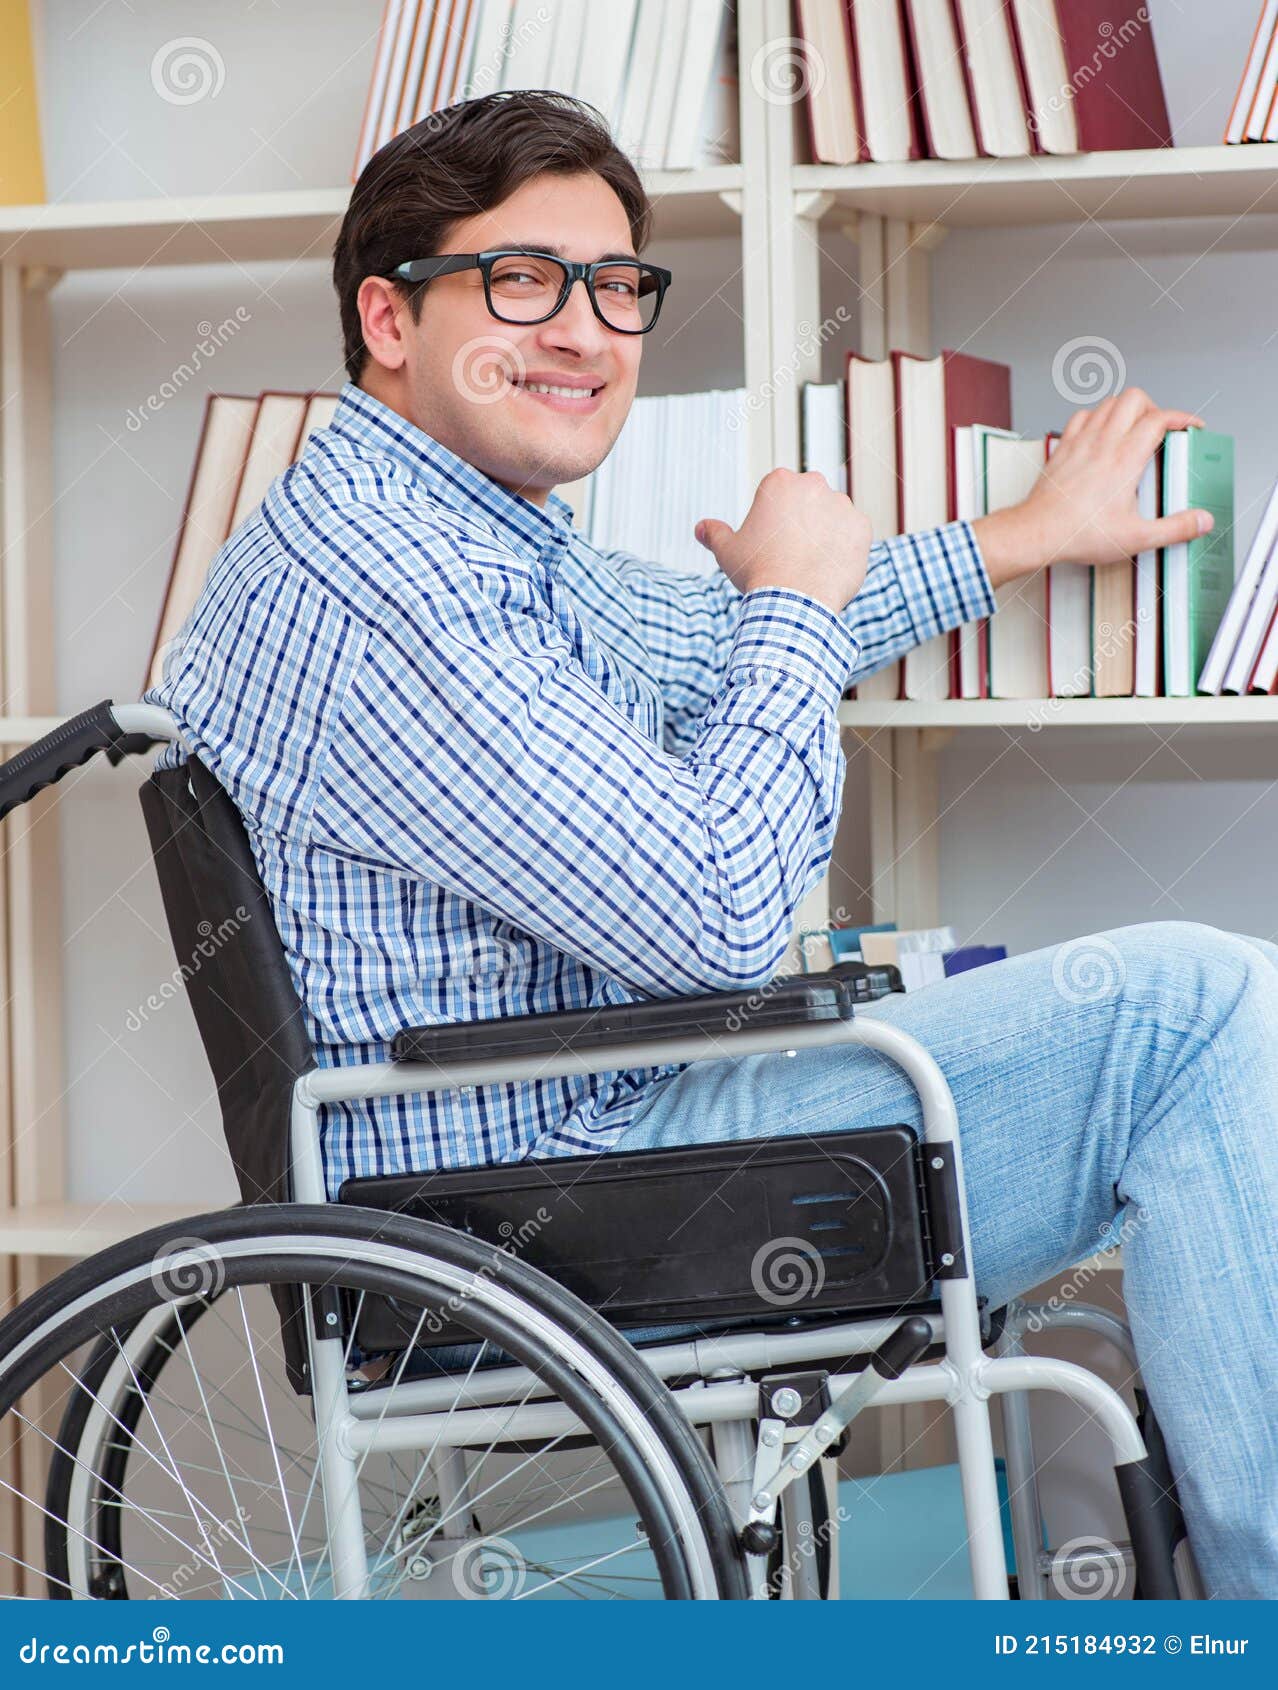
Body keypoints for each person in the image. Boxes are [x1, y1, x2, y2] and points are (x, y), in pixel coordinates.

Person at [145, 91, 1278, 1598]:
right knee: (1197, 1013)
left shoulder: (430, 525)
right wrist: (793, 600)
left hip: (568, 1144)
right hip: (541, 1206)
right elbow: (725, 916)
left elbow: (695, 646)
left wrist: (1013, 538)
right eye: (522, 280)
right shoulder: (390, 585)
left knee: (1203, 1016)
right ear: (389, 315)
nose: (584, 331)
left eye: (616, 286)